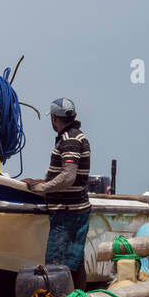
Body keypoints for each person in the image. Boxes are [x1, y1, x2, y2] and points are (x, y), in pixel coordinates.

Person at [23, 98, 91, 287]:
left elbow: (68, 177)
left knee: (55, 265)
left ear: (54, 118)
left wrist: (41, 188)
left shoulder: (69, 141)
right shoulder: (76, 137)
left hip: (67, 213)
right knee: (76, 262)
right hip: (77, 209)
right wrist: (44, 180)